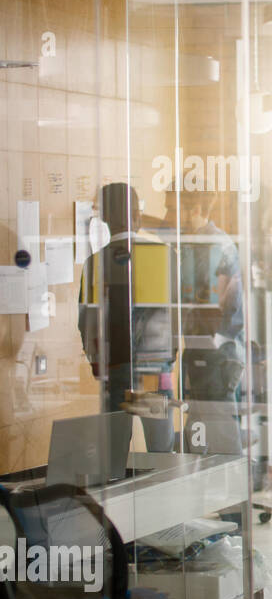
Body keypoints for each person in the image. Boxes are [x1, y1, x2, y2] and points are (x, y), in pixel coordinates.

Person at [77, 183, 180, 452]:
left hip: (114, 370)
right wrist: (168, 359)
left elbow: (86, 321)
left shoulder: (95, 262)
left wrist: (97, 363)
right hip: (154, 369)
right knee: (162, 453)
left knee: (114, 453)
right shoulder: (162, 254)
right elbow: (177, 315)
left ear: (105, 220)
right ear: (137, 214)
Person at [152, 188, 245, 456]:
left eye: (172, 209)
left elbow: (213, 309)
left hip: (214, 357)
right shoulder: (195, 242)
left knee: (223, 443)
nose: (167, 215)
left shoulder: (212, 246)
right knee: (198, 441)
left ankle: (235, 498)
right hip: (201, 354)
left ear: (193, 210)